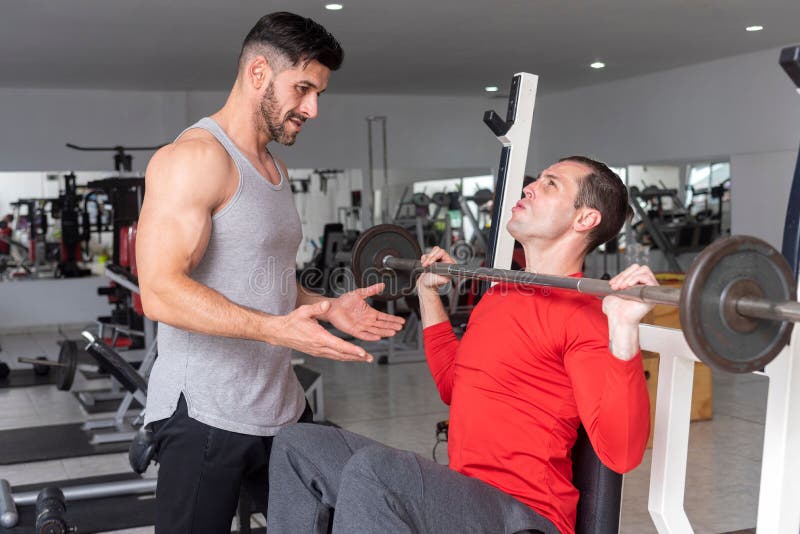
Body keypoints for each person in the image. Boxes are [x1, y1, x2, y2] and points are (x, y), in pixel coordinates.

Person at [266, 156, 653, 534]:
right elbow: (455, 385)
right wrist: (428, 295)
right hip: (465, 495)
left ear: (585, 219)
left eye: (550, 184)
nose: (529, 187)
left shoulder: (582, 316)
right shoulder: (501, 293)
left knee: (376, 471)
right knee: (298, 446)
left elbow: (621, 453)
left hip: (524, 516)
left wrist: (623, 331)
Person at [136, 12, 404, 533]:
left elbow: (266, 278)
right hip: (205, 414)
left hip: (278, 404)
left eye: (319, 93)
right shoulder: (195, 158)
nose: (313, 108)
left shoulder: (273, 168)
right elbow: (160, 292)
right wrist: (273, 326)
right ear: (258, 73)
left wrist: (325, 309)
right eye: (303, 89)